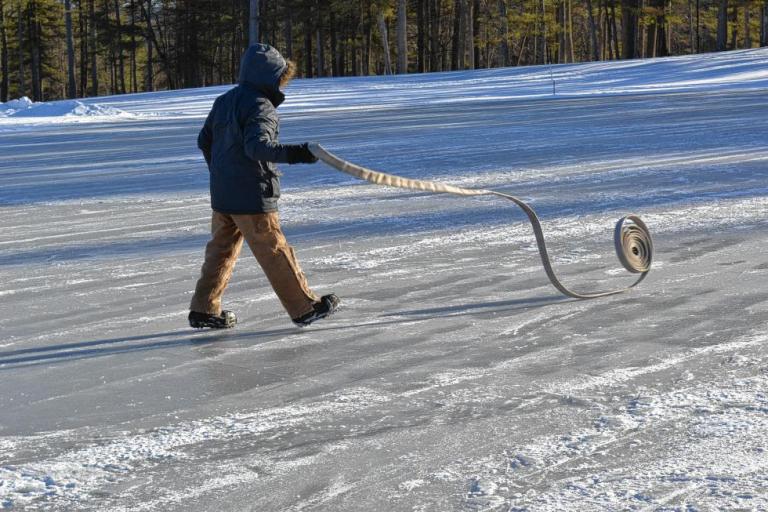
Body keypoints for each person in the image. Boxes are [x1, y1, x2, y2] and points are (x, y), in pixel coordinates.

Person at [188, 44, 339, 329]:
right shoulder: (260, 105)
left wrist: (221, 173)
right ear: (273, 77)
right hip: (252, 196)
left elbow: (204, 141)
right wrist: (299, 153)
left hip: (223, 195)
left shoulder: (224, 100)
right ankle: (304, 307)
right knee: (273, 249)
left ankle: (204, 309)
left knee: (220, 250)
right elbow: (258, 147)